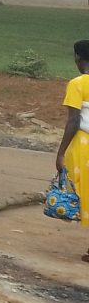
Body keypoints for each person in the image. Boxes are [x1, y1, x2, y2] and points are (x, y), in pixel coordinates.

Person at [58, 40, 89, 258]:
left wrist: (60, 152)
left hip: (83, 144)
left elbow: (73, 120)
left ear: (78, 58)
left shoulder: (77, 83)